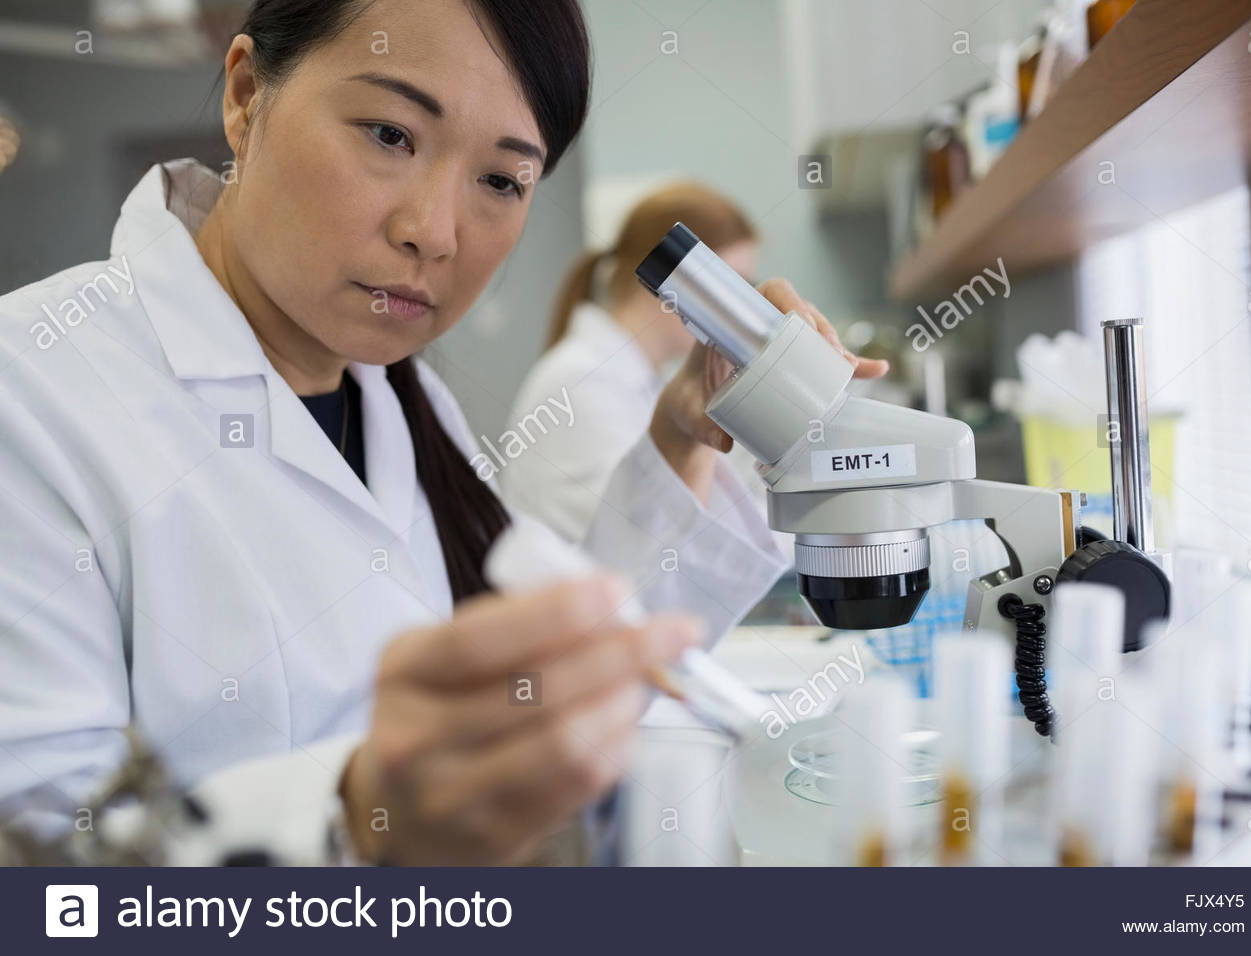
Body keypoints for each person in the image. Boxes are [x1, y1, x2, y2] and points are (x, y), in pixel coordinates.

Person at [0, 0, 881, 866]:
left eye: (500, 180)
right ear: (245, 96)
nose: (433, 232)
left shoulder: (404, 406)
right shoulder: (34, 388)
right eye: (389, 134)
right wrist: (355, 818)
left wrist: (685, 434)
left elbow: (547, 691)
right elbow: (42, 872)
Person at [504, 183, 884, 544]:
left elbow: (719, 497)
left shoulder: (640, 378)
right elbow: (656, 549)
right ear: (684, 286)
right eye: (734, 288)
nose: (745, 311)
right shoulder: (582, 383)